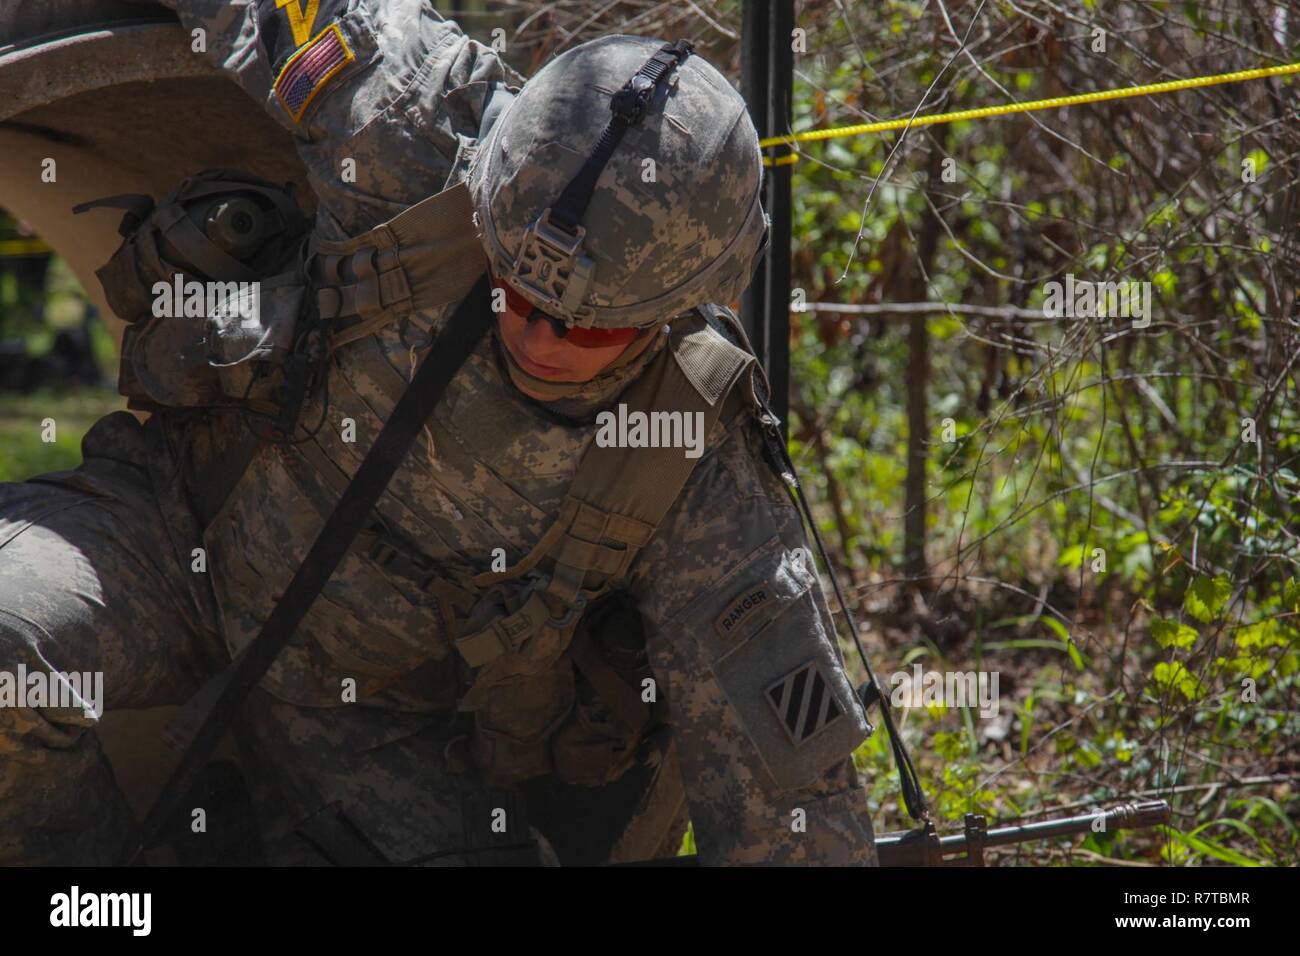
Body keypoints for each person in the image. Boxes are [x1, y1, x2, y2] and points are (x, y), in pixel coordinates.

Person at [0, 0, 878, 866]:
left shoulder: (692, 454)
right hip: (172, 534)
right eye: (516, 289)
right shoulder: (405, 124)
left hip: (368, 716)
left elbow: (791, 804)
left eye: (588, 327)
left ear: (675, 312)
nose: (537, 332)